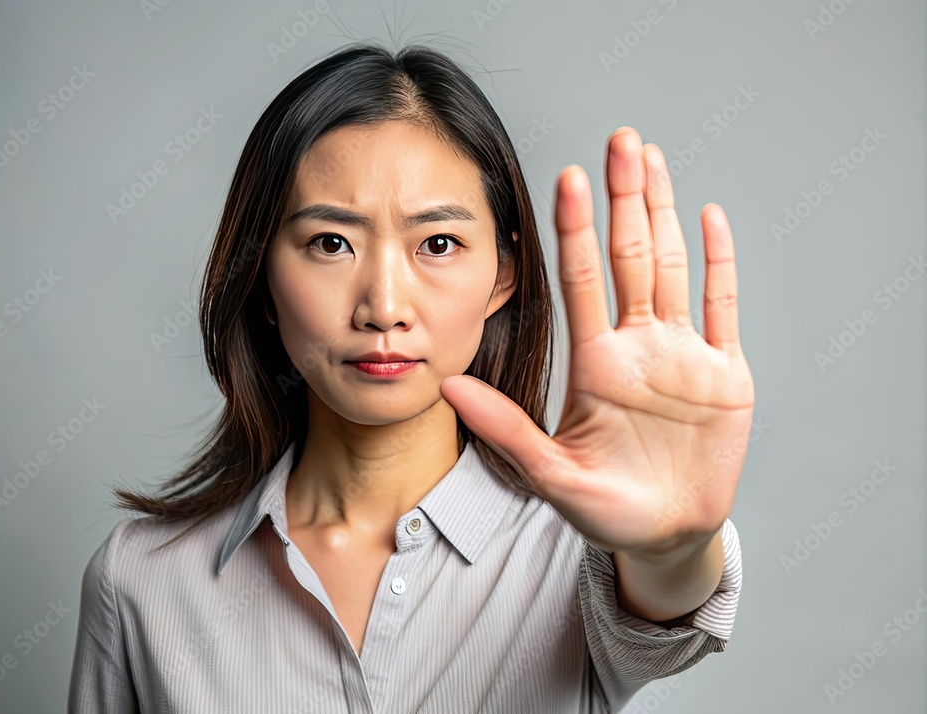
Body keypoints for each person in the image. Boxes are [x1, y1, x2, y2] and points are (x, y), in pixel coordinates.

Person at [68, 41, 750, 713]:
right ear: (262, 277)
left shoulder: (577, 555)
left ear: (502, 275)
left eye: (438, 243)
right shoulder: (142, 582)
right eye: (330, 243)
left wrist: (674, 545)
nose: (384, 307)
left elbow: (664, 603)